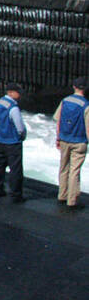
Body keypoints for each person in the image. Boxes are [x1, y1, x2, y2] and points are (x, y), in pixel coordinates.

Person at [55, 78, 88, 208]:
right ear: (85, 89)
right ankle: (72, 201)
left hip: (64, 139)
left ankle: (61, 195)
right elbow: (88, 127)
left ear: (74, 86)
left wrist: (58, 138)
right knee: (74, 171)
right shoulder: (86, 105)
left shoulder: (65, 101)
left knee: (63, 168)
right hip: (79, 141)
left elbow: (58, 121)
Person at [0, 84, 27, 202]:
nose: (20, 95)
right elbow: (19, 126)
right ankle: (16, 194)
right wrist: (22, 135)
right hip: (12, 142)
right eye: (18, 92)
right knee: (15, 169)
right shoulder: (13, 107)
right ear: (11, 92)